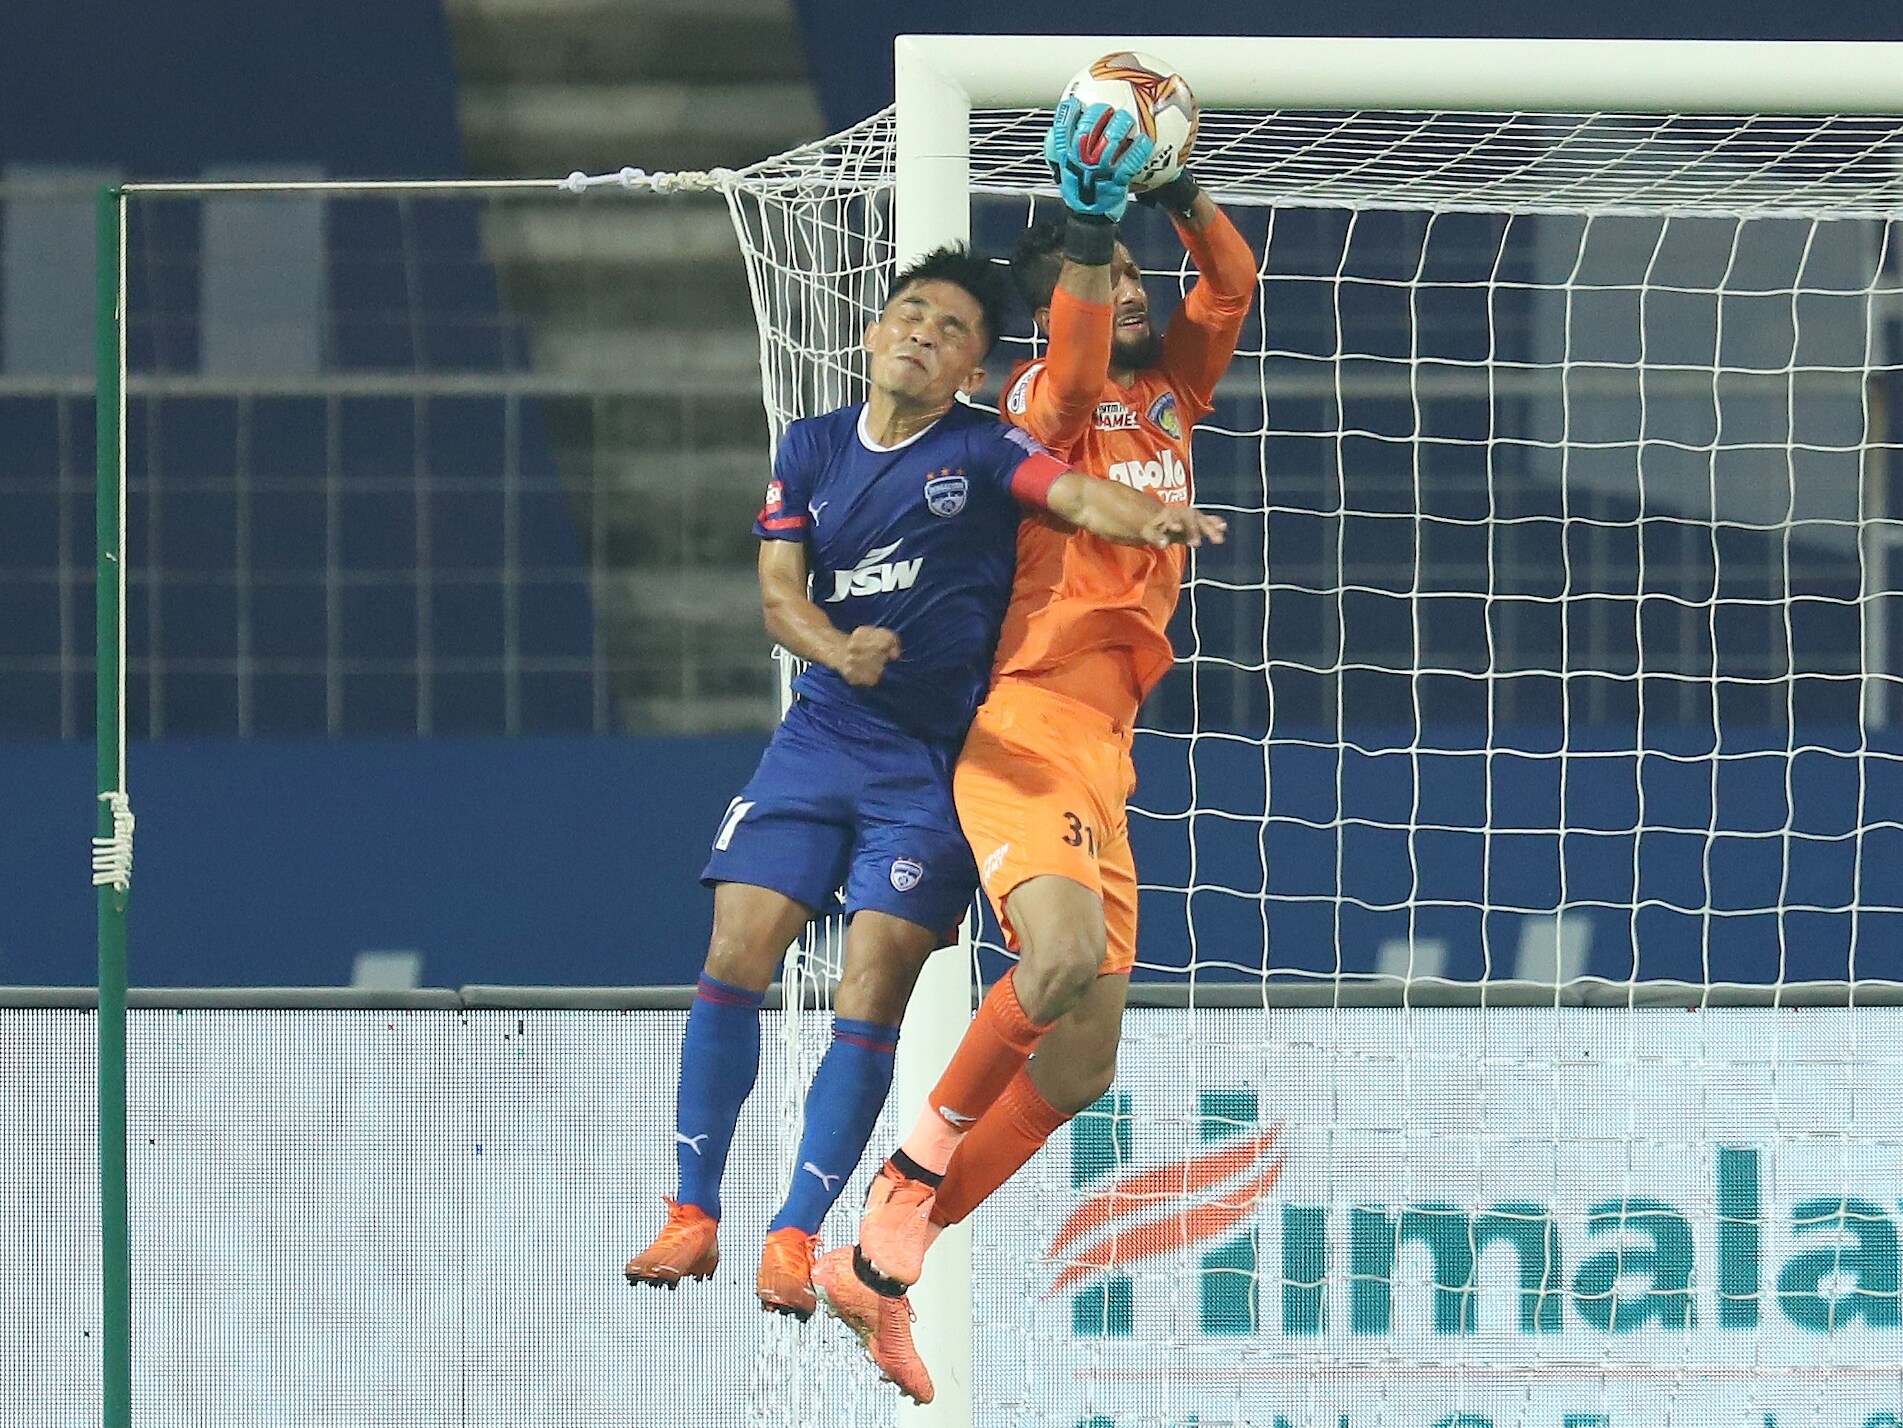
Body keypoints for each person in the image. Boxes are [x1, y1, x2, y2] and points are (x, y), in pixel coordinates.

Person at [623, 228, 1227, 1368]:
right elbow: (774, 593)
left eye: (952, 328)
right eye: (910, 315)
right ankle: (692, 1211)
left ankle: (807, 1239)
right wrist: (833, 646)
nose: (922, 333)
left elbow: (1068, 489)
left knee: (888, 984)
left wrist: (1142, 516)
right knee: (738, 945)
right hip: (838, 734)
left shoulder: (993, 446)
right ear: (870, 331)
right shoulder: (806, 447)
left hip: (933, 765)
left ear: (974, 365)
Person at [815, 94, 1258, 1397]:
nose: (1131, 291)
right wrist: (1090, 217)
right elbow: (1066, 369)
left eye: (1133, 277)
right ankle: (904, 1176)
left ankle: (882, 1265)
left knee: (1078, 1062)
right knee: (1055, 959)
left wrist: (1172, 190)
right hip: (1018, 725)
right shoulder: (1031, 408)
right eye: (1106, 277)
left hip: (1101, 758)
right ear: (1070, 284)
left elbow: (1226, 280)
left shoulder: (1171, 392)